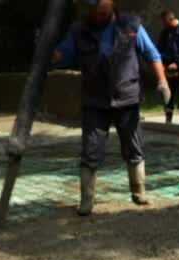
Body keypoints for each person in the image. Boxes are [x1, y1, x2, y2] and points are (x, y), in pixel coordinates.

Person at [52, 0, 171, 214]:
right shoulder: (79, 31)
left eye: (104, 11)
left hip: (127, 98)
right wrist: (49, 51)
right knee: (91, 150)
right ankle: (87, 200)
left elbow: (152, 54)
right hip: (95, 102)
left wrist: (162, 81)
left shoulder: (131, 25)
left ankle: (139, 192)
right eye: (96, 11)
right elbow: (62, 56)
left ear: (112, 4)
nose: (100, 15)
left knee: (134, 147)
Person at [156, 10, 179, 125]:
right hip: (167, 67)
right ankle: (168, 119)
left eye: (164, 21)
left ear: (171, 19)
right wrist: (162, 63)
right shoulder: (164, 33)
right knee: (168, 92)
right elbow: (159, 49)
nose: (163, 24)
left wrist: (177, 64)